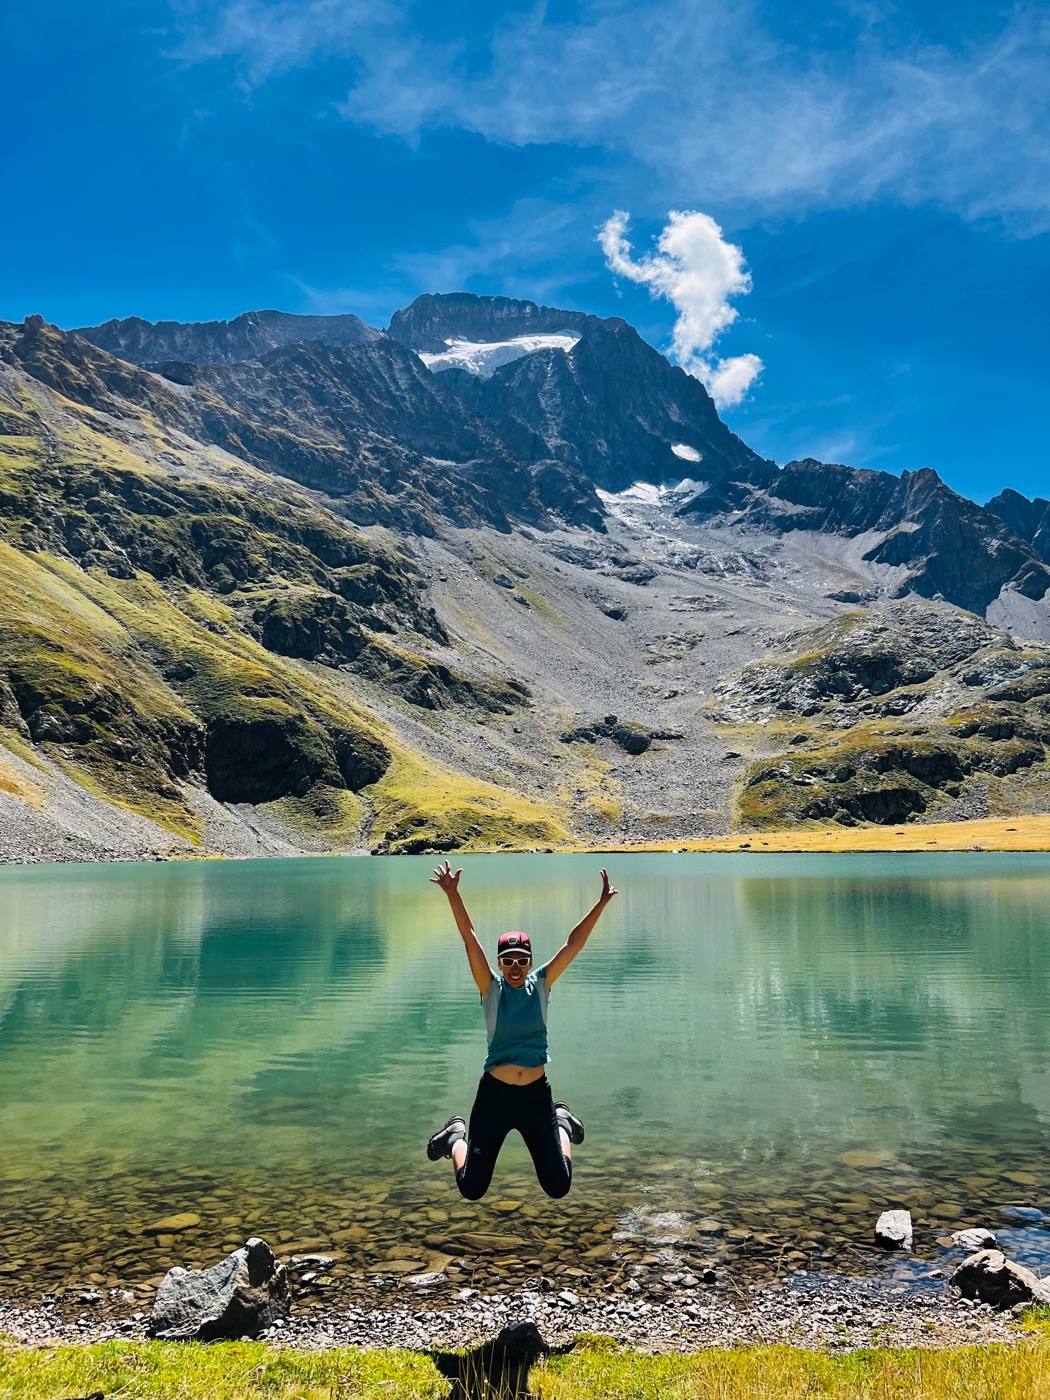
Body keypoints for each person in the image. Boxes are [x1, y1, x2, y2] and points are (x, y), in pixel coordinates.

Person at [425, 861, 618, 1200]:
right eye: (508, 961)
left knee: (558, 1186)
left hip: (535, 1096)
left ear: (530, 961)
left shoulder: (541, 983)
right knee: (472, 1188)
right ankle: (455, 1138)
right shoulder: (490, 988)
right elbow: (470, 939)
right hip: (495, 1097)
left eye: (522, 960)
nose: (515, 967)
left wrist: (600, 903)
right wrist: (453, 895)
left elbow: (573, 944)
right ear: (499, 963)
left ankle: (562, 1122)